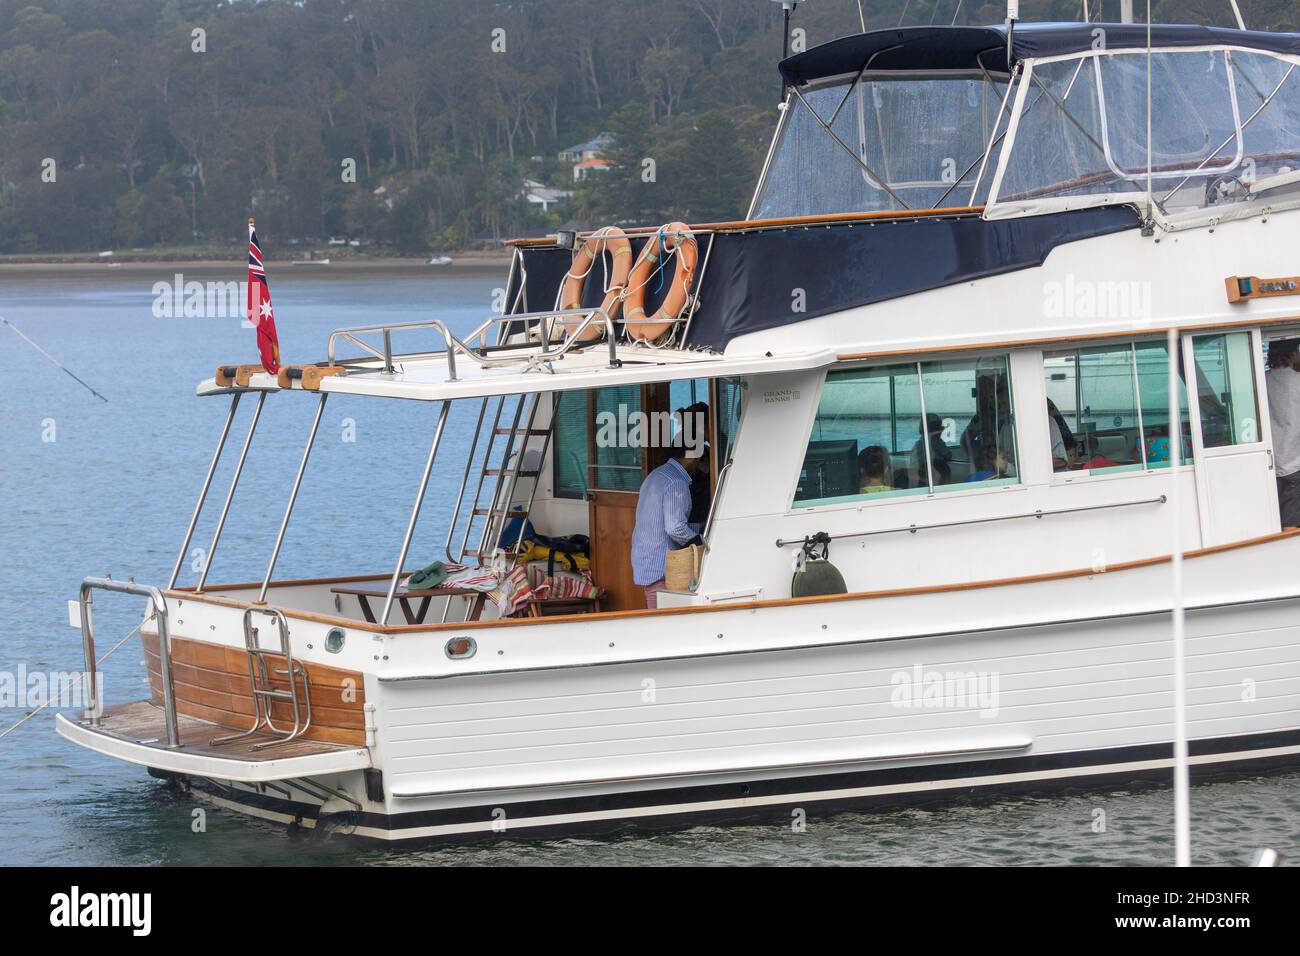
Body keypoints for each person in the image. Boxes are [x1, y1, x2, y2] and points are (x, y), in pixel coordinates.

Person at [631, 437, 702, 608]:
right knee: (661, 623)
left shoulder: (655, 475)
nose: (698, 465)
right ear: (691, 456)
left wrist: (697, 527)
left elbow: (660, 520)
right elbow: (675, 528)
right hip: (662, 564)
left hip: (646, 558)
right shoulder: (676, 483)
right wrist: (700, 541)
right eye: (699, 459)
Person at [1266, 338, 1300, 528]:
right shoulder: (1297, 381)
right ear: (1294, 354)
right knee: (1291, 525)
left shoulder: (1262, 380)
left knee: (1273, 520)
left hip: (1269, 462)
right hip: (1295, 463)